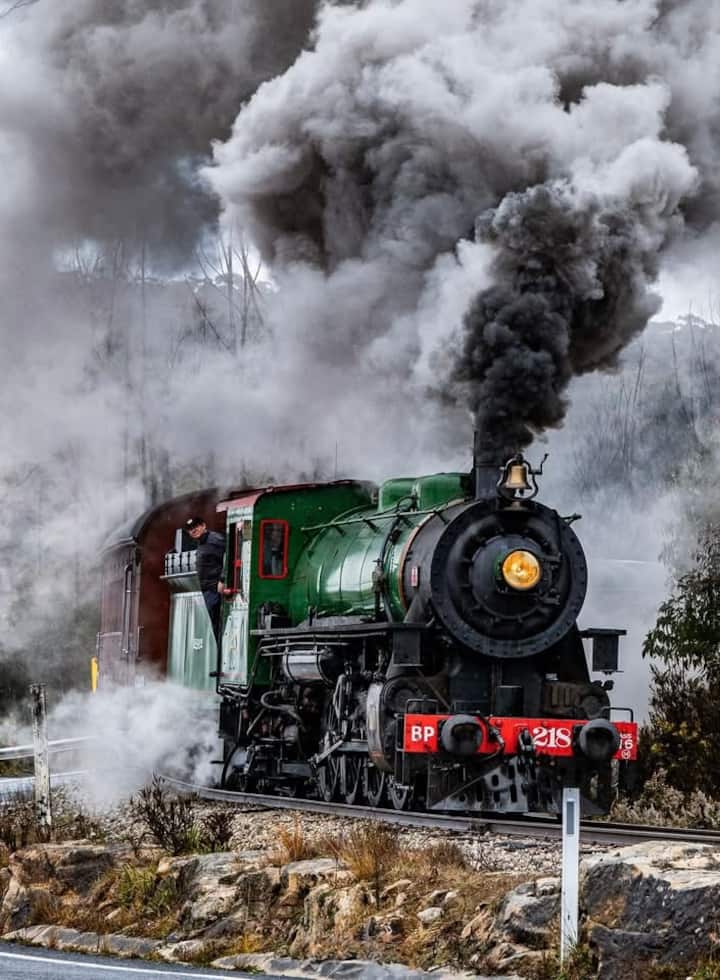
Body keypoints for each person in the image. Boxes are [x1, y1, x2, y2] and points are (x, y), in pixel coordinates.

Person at [184, 517, 225, 641]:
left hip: (214, 589)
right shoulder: (202, 542)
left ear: (203, 525)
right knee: (210, 627)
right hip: (207, 589)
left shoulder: (214, 540)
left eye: (196, 526)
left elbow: (230, 554)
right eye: (190, 529)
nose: (193, 530)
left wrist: (222, 580)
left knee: (215, 626)